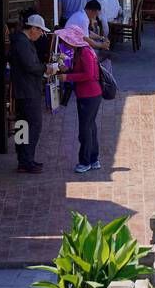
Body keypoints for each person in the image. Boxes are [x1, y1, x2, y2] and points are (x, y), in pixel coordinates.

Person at [9, 13, 55, 174]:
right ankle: (26, 160)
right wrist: (45, 68)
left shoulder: (22, 41)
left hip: (24, 89)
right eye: (41, 31)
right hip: (28, 90)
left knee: (22, 125)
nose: (42, 34)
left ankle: (23, 159)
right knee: (32, 125)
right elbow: (30, 65)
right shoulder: (22, 43)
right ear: (33, 28)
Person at [56, 25, 102, 174]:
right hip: (88, 94)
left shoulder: (85, 53)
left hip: (89, 95)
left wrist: (68, 76)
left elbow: (88, 74)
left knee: (85, 129)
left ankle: (85, 161)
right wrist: (67, 71)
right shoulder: (81, 52)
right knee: (90, 127)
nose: (64, 43)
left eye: (66, 40)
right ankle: (93, 159)